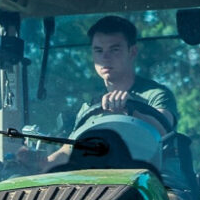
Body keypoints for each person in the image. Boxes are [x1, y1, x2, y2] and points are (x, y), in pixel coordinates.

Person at [11, 14, 178, 171]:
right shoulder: (90, 108)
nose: (105, 57)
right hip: (104, 184)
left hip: (157, 180)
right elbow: (67, 152)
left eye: (114, 49)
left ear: (132, 51)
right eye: (98, 50)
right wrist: (40, 163)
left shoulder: (155, 95)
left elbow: (163, 129)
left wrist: (131, 111)